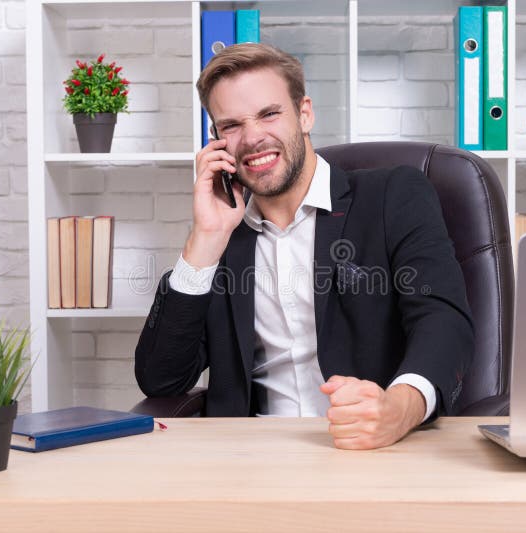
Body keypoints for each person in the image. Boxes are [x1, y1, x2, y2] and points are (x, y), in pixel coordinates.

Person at [135, 43, 474, 450]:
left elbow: (443, 321)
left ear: (305, 113)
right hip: (249, 458)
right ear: (217, 141)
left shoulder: (392, 196)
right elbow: (162, 379)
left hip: (370, 448)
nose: (253, 138)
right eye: (232, 126)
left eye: (269, 114)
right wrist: (204, 239)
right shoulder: (222, 238)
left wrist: (399, 409)